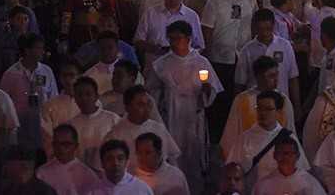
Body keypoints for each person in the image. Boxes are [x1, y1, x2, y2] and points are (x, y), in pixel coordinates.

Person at [146, 19, 222, 192]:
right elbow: (152, 92)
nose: (174, 43)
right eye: (171, 39)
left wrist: (207, 91)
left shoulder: (201, 62)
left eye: (178, 38)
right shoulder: (161, 64)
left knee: (194, 157)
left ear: (188, 39)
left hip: (194, 118)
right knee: (174, 156)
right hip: (171, 117)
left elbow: (213, 92)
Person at [223, 90, 310, 192]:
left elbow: (302, 172)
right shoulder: (244, 139)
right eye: (259, 108)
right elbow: (231, 171)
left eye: (268, 109)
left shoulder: (288, 139)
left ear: (278, 112)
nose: (263, 113)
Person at [220, 55, 295, 159]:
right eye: (271, 76)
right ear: (259, 77)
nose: (276, 80)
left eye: (277, 75)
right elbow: (231, 135)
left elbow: (290, 130)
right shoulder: (242, 100)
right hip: (248, 157)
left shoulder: (283, 100)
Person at [233, 9, 300, 117]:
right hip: (254, 106)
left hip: (280, 104)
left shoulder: (285, 46)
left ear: (273, 25)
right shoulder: (247, 50)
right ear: (255, 27)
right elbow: (239, 82)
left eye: (268, 29)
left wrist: (297, 106)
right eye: (261, 29)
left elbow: (293, 78)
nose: (264, 33)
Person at [0, 32, 57, 149]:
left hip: (43, 127)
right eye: (38, 48)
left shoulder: (46, 71)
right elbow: (3, 104)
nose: (42, 51)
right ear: (27, 50)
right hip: (19, 127)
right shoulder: (11, 74)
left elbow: (54, 97)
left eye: (42, 48)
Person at [104, 85, 181, 170]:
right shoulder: (116, 135)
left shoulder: (158, 128)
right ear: (127, 107)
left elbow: (171, 160)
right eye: (140, 104)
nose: (146, 108)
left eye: (148, 104)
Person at [68, 75, 121, 170]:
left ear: (96, 96)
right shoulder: (71, 125)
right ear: (75, 98)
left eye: (88, 94)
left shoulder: (112, 119)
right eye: (79, 95)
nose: (84, 98)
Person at [36, 123, 103, 195]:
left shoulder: (88, 175)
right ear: (53, 145)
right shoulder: (41, 172)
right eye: (57, 144)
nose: (61, 148)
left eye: (66, 144)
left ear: (76, 146)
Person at [250, 135, 326, 195]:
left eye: (289, 153)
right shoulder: (263, 185)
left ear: (297, 156)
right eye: (281, 153)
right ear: (274, 155)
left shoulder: (310, 183)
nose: (285, 157)